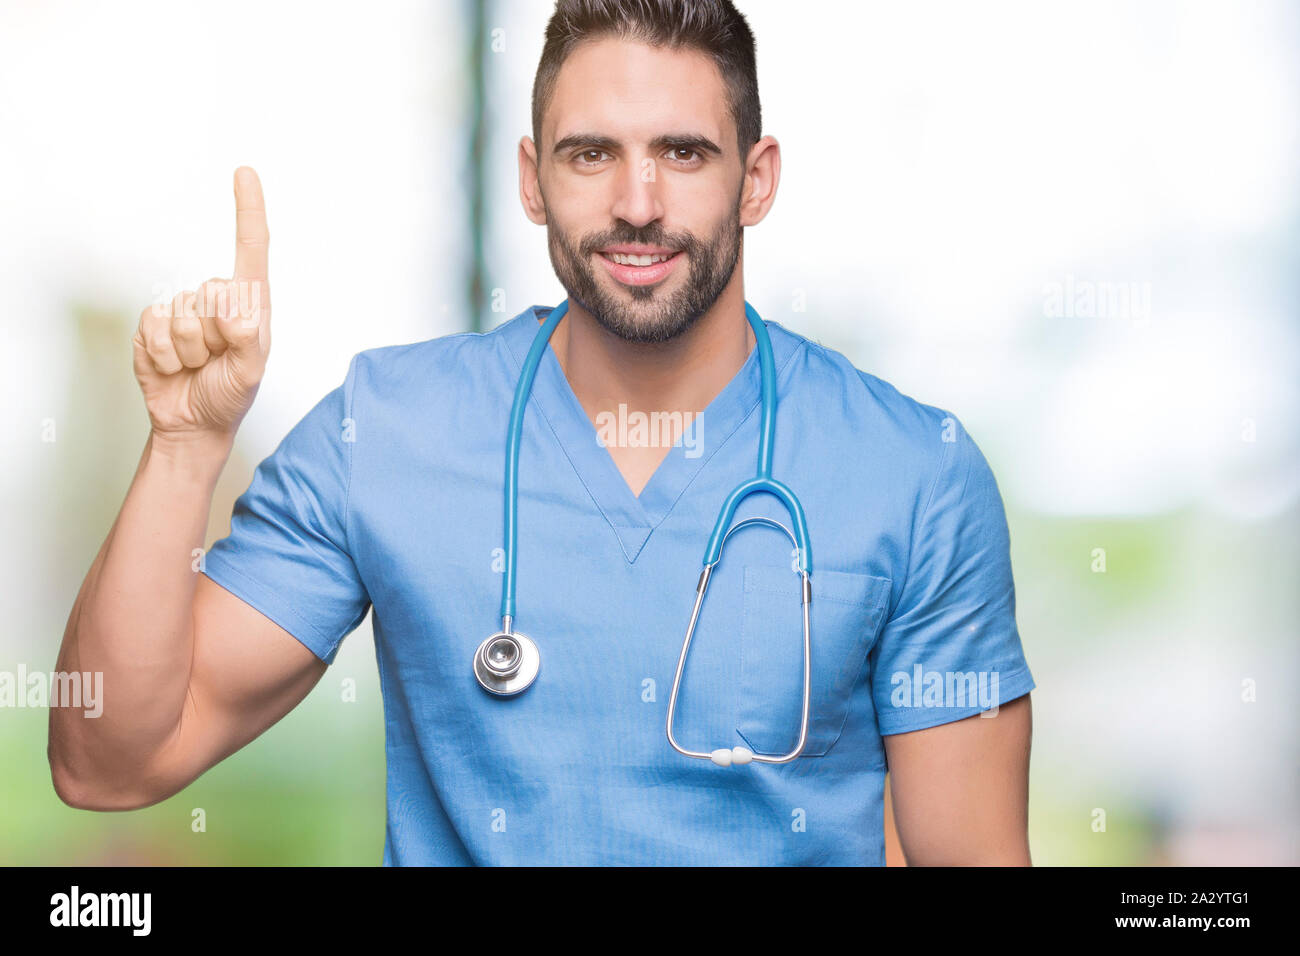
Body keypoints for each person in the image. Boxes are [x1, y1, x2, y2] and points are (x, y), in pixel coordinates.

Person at [49, 0, 1034, 865]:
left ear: (756, 178)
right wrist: (183, 445)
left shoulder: (911, 474)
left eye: (682, 153)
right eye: (590, 152)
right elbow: (108, 761)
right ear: (530, 178)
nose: (636, 204)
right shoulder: (386, 432)